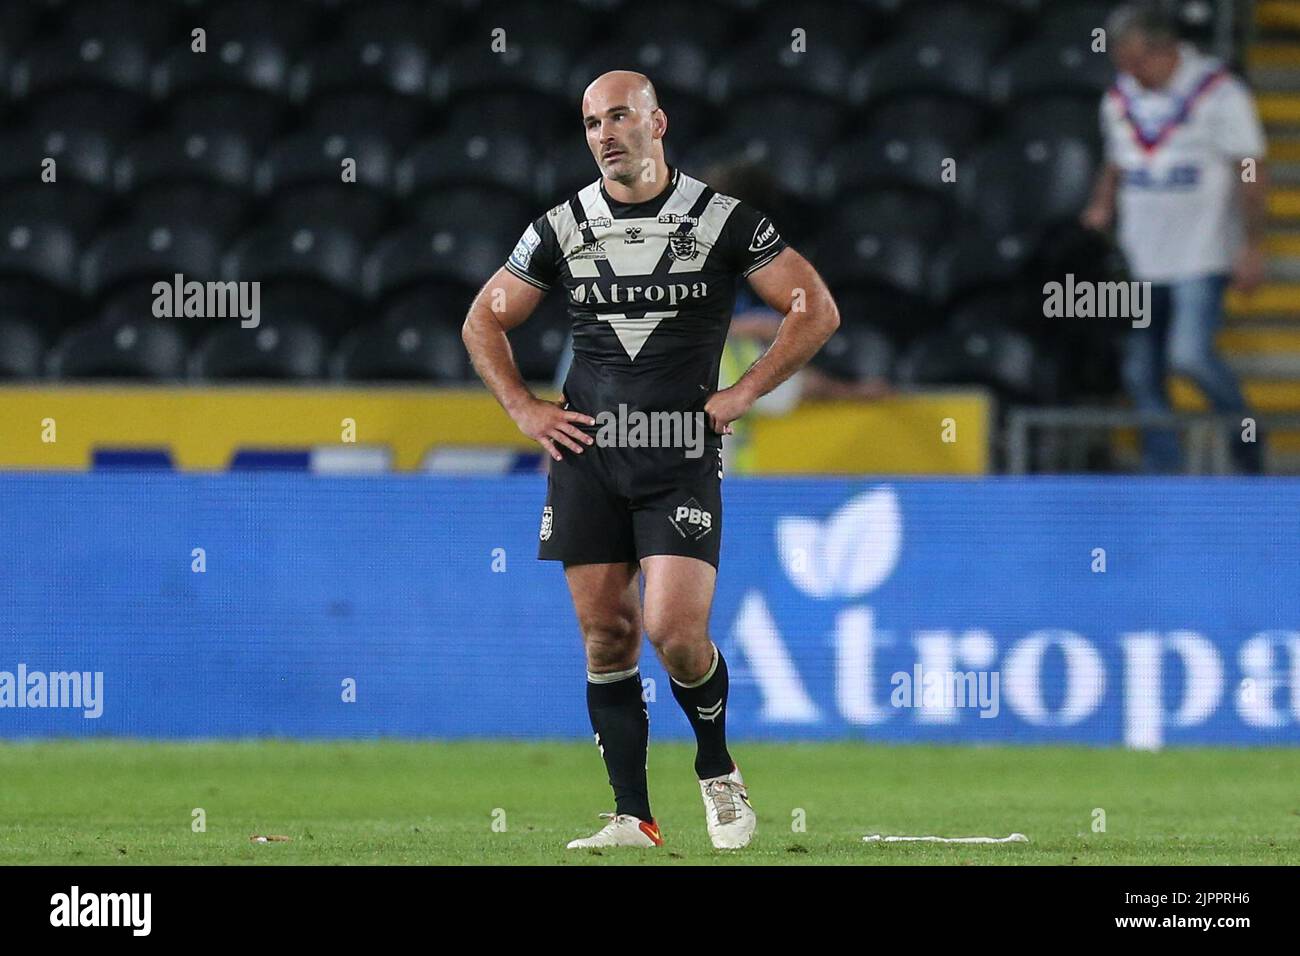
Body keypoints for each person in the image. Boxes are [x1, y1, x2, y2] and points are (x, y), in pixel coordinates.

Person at [461, 71, 840, 849]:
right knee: (606, 636)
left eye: (620, 116)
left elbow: (814, 308)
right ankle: (633, 816)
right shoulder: (560, 226)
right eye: (592, 123)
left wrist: (742, 393)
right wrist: (526, 411)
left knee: (673, 630)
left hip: (678, 458)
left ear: (657, 123)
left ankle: (716, 771)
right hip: (587, 459)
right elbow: (481, 321)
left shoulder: (722, 220)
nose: (604, 133)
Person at [1081, 5, 1269, 473]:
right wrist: (1102, 204)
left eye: (1138, 63)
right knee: (1139, 373)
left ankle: (1247, 440)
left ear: (1164, 50)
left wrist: (1251, 243)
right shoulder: (1120, 99)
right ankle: (1164, 475)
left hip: (1200, 256)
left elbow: (1250, 166)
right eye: (1122, 64)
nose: (1131, 74)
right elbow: (1117, 159)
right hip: (1139, 259)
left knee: (1189, 356)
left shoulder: (1220, 94)